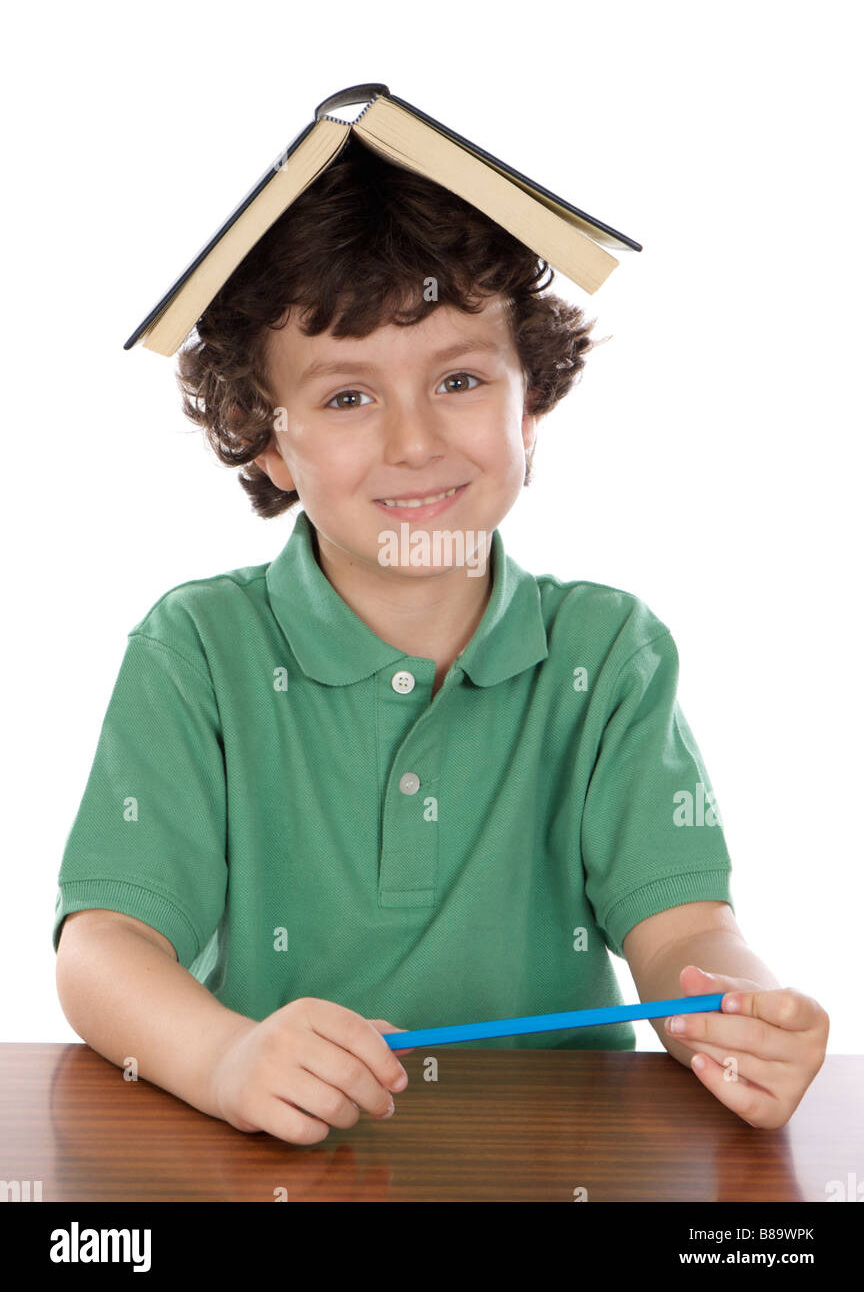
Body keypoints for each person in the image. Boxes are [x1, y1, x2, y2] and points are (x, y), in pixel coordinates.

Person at [53, 139, 828, 1144]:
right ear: (272, 440)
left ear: (532, 398)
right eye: (346, 396)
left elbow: (685, 928)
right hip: (289, 1162)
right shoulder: (197, 649)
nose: (415, 442)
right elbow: (104, 945)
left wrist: (742, 1017)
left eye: (460, 380)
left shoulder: (609, 650)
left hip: (556, 1162)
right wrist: (226, 1057)